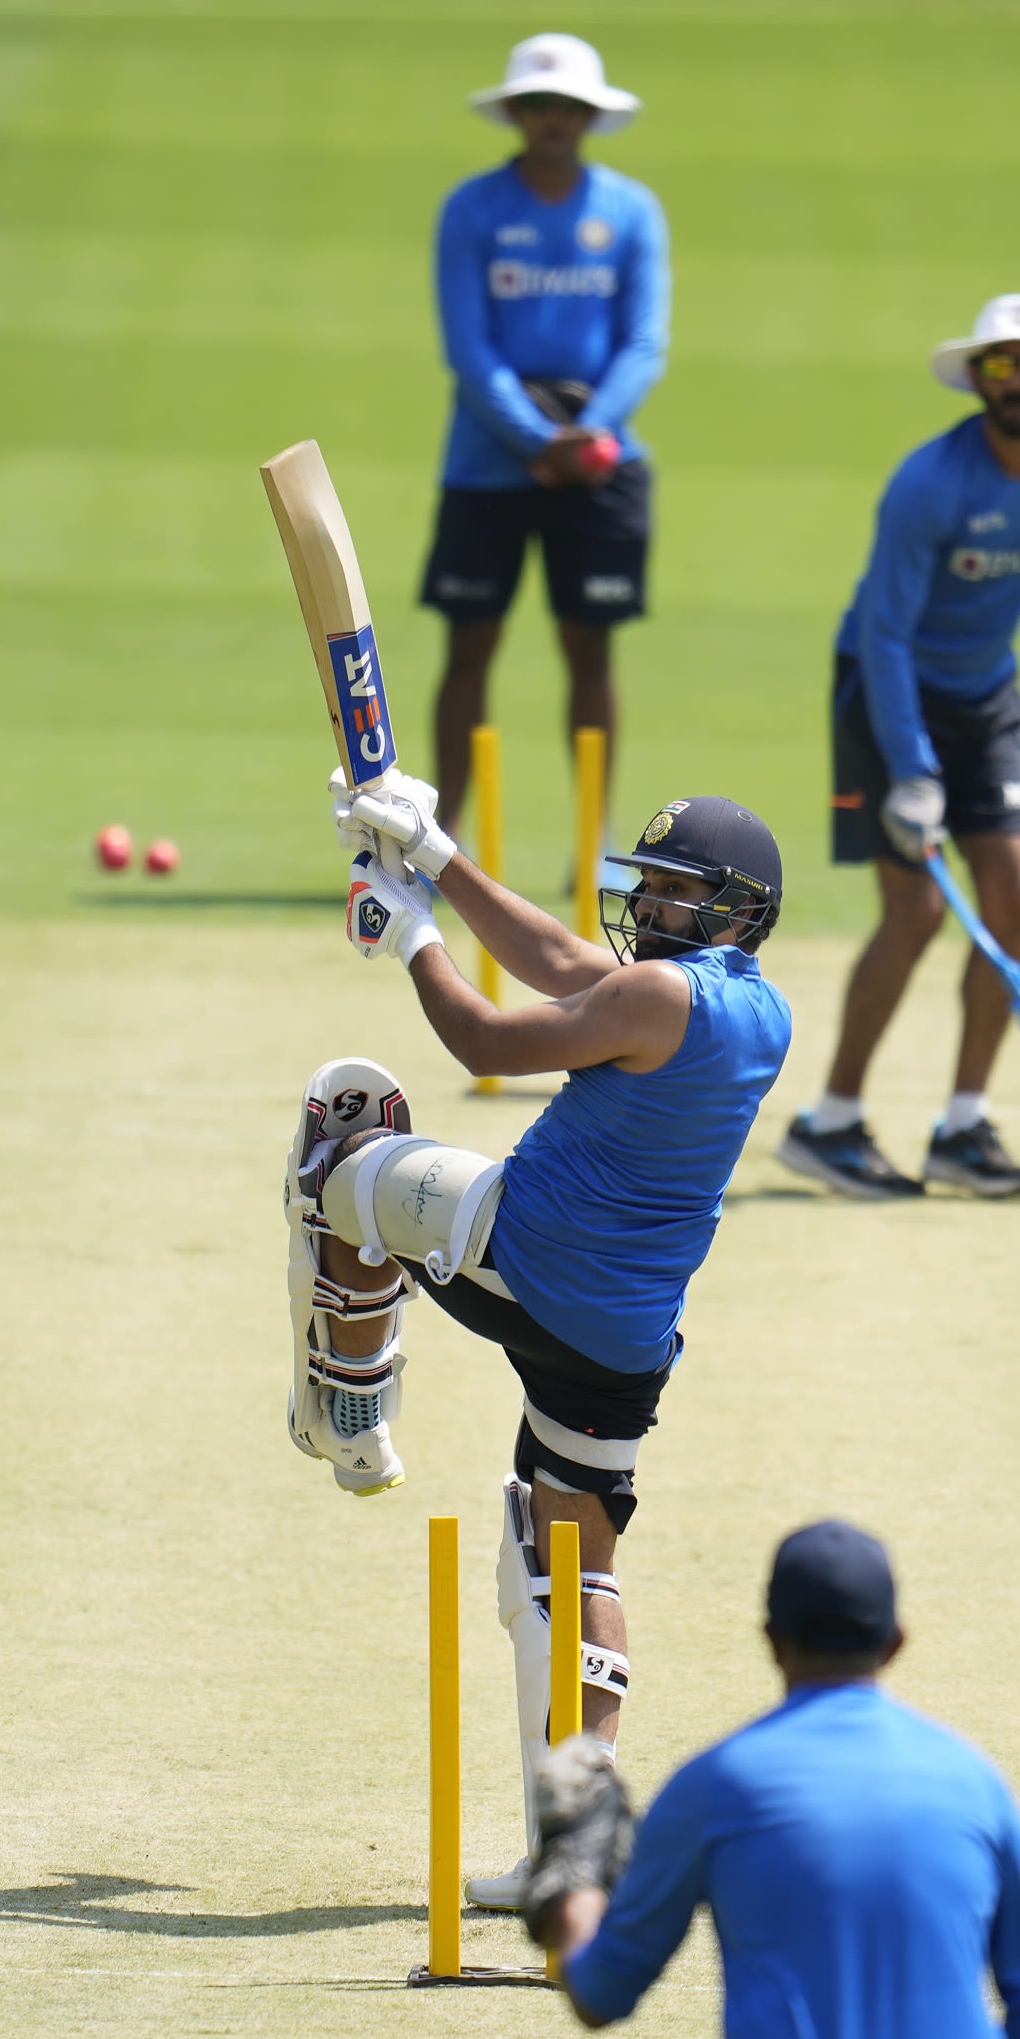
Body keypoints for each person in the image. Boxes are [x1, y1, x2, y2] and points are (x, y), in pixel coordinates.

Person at [283, 772, 789, 1908]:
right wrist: (437, 854)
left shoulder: (660, 999)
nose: (650, 904)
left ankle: (350, 1389)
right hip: (619, 1340)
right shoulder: (750, 1006)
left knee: (339, 1152)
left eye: (676, 892)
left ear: (734, 909)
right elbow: (565, 956)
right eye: (647, 886)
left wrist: (410, 929)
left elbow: (481, 1036)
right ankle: (577, 1836)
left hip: (516, 1252)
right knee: (567, 1551)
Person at [528, 1519, 1020, 2039]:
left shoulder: (712, 1786)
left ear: (771, 1639)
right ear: (895, 1642)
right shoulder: (975, 1782)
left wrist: (575, 1889)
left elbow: (600, 1994)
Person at [777, 293, 1020, 1199]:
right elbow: (885, 632)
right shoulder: (928, 483)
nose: (1016, 382)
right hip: (886, 692)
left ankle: (964, 1126)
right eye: (1000, 364)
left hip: (990, 695)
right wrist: (914, 771)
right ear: (975, 377)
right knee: (918, 912)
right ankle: (830, 1121)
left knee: (1015, 890)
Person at [419, 32, 670, 842]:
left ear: (589, 116)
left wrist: (588, 434)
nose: (553, 118)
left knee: (590, 652)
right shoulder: (472, 208)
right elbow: (469, 349)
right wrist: (534, 439)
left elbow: (643, 344)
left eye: (568, 106)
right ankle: (441, 835)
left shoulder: (631, 211)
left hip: (599, 470)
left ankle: (592, 845)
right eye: (538, 104)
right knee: (468, 649)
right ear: (517, 113)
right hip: (490, 464)